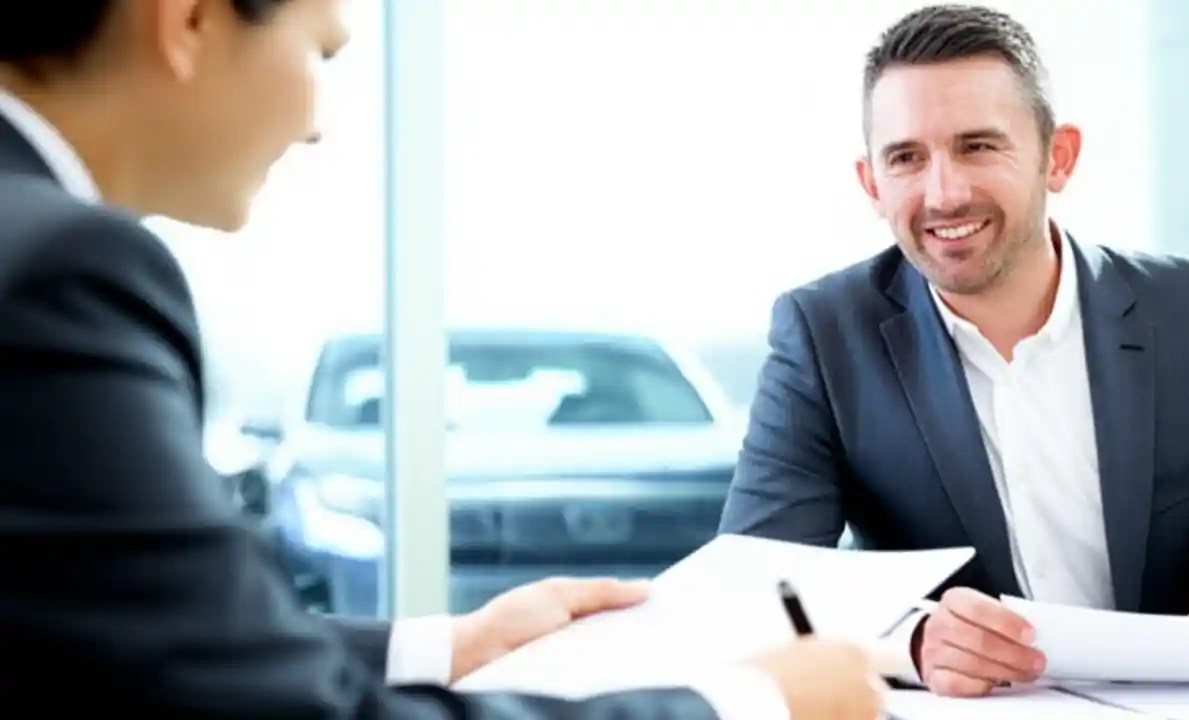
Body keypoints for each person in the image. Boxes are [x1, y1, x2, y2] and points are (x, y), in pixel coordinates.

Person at [0, 1, 886, 717]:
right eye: (322, 52)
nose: (314, 124)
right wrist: (748, 700)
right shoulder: (61, 276)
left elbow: (148, 633)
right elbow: (252, 698)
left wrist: (452, 646)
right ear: (188, 20)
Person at [718, 2, 1189, 698]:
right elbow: (757, 588)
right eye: (906, 159)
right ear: (871, 184)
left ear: (1058, 157)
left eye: (978, 146)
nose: (943, 193)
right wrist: (909, 640)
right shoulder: (823, 333)